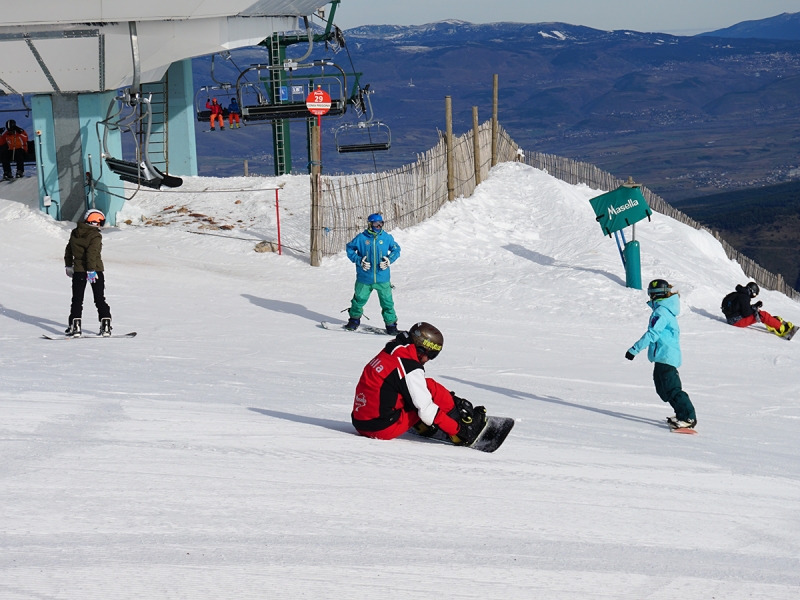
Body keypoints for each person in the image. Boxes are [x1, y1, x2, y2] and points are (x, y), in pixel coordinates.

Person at [351, 322, 487, 445]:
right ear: (423, 349)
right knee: (431, 391)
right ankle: (461, 429)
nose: (429, 359)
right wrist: (457, 429)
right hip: (381, 429)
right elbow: (427, 410)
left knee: (424, 387)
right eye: (432, 355)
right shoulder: (409, 368)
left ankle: (425, 425)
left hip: (361, 422)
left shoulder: (393, 351)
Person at [626, 279, 697, 429]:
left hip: (666, 356)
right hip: (663, 356)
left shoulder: (661, 312)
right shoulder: (663, 310)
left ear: (655, 295)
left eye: (651, 293)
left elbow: (652, 334)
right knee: (662, 389)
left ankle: (688, 417)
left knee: (671, 388)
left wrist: (634, 349)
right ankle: (681, 413)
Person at [344, 213, 401, 334]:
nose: (379, 226)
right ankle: (354, 320)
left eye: (381, 223)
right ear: (370, 224)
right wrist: (359, 260)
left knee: (387, 302)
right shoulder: (361, 238)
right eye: (376, 223)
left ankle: (391, 325)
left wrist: (389, 260)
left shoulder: (386, 237)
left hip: (383, 278)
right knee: (358, 300)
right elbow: (349, 248)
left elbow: (396, 249)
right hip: (364, 278)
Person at [64, 209, 112, 338]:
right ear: (95, 221)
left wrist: (68, 265)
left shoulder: (75, 232)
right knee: (99, 298)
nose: (100, 224)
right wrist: (91, 270)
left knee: (77, 300)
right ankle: (105, 325)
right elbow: (92, 253)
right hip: (94, 271)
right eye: (100, 221)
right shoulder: (95, 235)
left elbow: (68, 250)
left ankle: (75, 326)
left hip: (79, 271)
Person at [721, 281, 795, 338]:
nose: (753, 297)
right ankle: (782, 328)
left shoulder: (738, 294)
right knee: (762, 315)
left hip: (731, 319)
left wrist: (754, 306)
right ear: (752, 291)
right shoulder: (744, 297)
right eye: (754, 295)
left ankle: (773, 322)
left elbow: (742, 308)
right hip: (736, 321)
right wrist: (754, 308)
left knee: (758, 312)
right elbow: (746, 313)